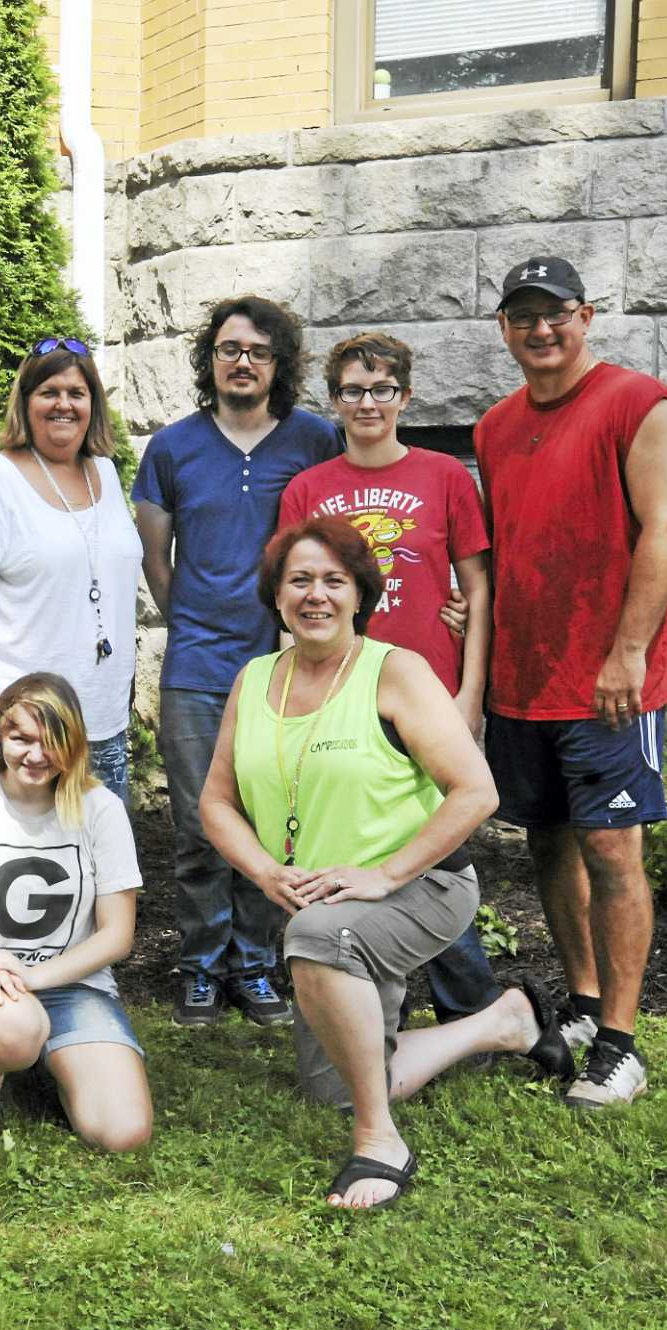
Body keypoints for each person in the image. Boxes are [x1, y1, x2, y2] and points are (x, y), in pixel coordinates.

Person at [200, 518, 574, 1209]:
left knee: (314, 938)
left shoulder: (393, 671)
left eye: (333, 581)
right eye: (300, 581)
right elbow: (216, 802)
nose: (316, 595)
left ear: (359, 593)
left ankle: (380, 1143)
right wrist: (264, 872)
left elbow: (477, 792)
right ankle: (507, 1022)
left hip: (424, 886)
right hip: (330, 906)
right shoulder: (255, 681)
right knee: (332, 1087)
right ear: (276, 596)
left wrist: (384, 875)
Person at [476, 257, 667, 1110]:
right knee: (547, 840)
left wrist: (628, 651)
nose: (541, 330)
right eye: (523, 316)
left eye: (555, 313)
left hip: (609, 679)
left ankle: (621, 1044)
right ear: (504, 328)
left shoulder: (639, 404)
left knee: (613, 848)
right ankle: (583, 1003)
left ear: (587, 316)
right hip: (524, 676)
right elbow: (510, 546)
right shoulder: (496, 426)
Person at [278, 331, 502, 1032]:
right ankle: (373, 1003)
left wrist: (469, 692)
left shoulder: (443, 477)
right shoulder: (310, 489)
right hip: (343, 699)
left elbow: (478, 587)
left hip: (430, 694)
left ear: (405, 396)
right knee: (355, 846)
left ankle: (475, 1003)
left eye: (380, 390)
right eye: (352, 390)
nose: (367, 403)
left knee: (438, 848)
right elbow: (292, 598)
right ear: (334, 401)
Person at [130, 297, 340, 1028]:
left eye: (256, 349)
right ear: (209, 359)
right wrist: (193, 617)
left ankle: (256, 965)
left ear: (278, 362)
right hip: (197, 668)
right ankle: (199, 965)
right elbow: (156, 558)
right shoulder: (172, 448)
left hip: (288, 667)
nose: (241, 361)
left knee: (271, 820)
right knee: (197, 825)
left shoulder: (315, 440)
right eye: (228, 348)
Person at [0, 673, 151, 1151]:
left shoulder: (100, 810)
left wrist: (30, 976)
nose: (36, 755)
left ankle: (48, 1057)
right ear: (0, 733)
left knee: (123, 1134)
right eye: (20, 738)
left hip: (70, 985)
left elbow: (116, 935)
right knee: (15, 1027)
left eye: (52, 741)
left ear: (73, 742)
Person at [0, 339, 140, 802]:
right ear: (25, 404)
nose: (63, 403)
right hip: (11, 717)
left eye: (76, 392)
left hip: (97, 712)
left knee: (98, 861)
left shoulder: (104, 473)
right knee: (8, 863)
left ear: (93, 405)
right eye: (48, 391)